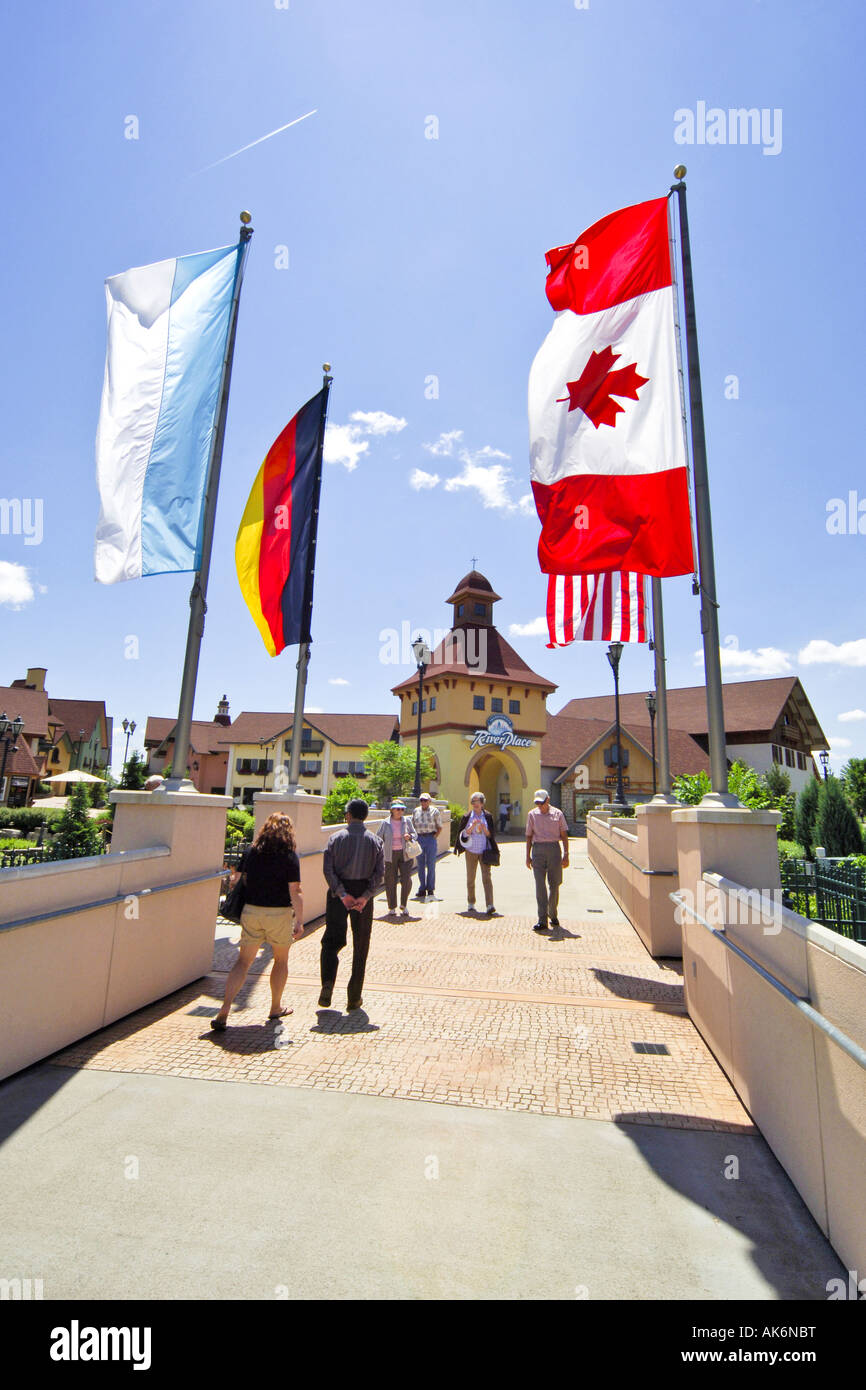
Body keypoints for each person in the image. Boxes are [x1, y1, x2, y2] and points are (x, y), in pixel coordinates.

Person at [211, 813, 304, 1031]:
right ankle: (275, 1008)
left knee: (243, 962)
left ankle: (224, 1011)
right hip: (279, 914)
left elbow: (235, 879)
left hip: (252, 911)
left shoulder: (251, 851)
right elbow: (296, 890)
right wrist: (299, 920)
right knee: (280, 961)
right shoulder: (289, 856)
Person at [321, 798, 385, 1012]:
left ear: (348, 815)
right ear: (365, 816)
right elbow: (379, 873)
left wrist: (341, 893)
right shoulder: (375, 841)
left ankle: (327, 984)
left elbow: (328, 870)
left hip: (338, 894)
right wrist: (365, 896)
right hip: (363, 893)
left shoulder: (335, 838)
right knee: (361, 945)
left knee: (331, 940)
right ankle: (354, 996)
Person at [525, 789, 569, 933]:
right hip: (538, 850)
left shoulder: (558, 814)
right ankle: (542, 919)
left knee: (554, 884)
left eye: (542, 803)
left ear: (548, 800)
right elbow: (529, 836)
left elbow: (563, 835)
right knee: (540, 885)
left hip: (554, 849)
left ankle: (553, 913)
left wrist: (566, 854)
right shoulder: (532, 814)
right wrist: (527, 856)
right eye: (537, 803)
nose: (540, 806)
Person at [454, 791, 499, 915]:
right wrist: (471, 827)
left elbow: (491, 835)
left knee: (486, 878)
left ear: (482, 803)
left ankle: (490, 904)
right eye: (473, 801)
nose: (475, 804)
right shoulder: (468, 816)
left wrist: (485, 829)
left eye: (477, 801)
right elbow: (463, 834)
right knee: (470, 878)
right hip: (471, 851)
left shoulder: (488, 816)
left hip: (484, 851)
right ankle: (471, 903)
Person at [376, 799, 418, 916]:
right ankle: (392, 906)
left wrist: (409, 836)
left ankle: (403, 904)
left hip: (405, 854)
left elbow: (415, 834)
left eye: (402, 809)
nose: (400, 811)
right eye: (397, 809)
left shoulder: (407, 821)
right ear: (392, 810)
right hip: (390, 855)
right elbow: (378, 838)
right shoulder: (385, 823)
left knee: (406, 880)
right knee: (390, 880)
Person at [411, 792, 442, 899]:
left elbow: (440, 827)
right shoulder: (416, 811)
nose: (423, 802)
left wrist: (434, 837)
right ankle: (422, 888)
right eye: (421, 800)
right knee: (420, 865)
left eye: (425, 800)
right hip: (419, 838)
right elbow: (412, 825)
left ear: (429, 801)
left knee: (431, 864)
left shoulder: (435, 811)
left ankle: (430, 888)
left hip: (430, 838)